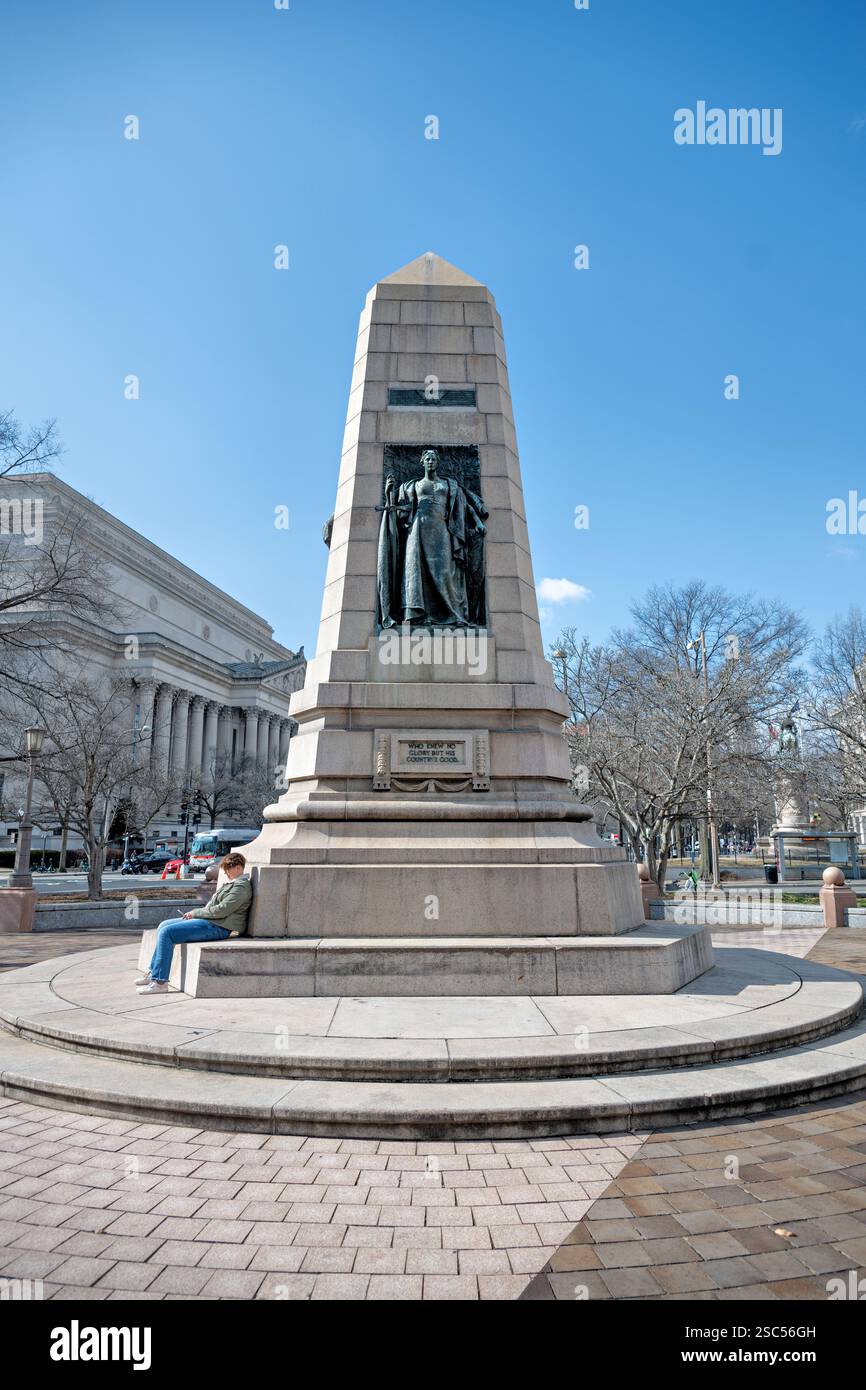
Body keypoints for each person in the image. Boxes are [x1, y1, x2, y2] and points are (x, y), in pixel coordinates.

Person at [135, 852, 252, 994]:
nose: (226, 872)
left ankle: (160, 982)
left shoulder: (241, 887)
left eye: (228, 868)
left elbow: (221, 911)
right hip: (212, 921)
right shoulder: (234, 884)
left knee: (167, 933)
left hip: (220, 926)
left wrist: (195, 913)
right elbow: (214, 910)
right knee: (163, 925)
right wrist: (197, 913)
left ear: (239, 868)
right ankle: (154, 972)